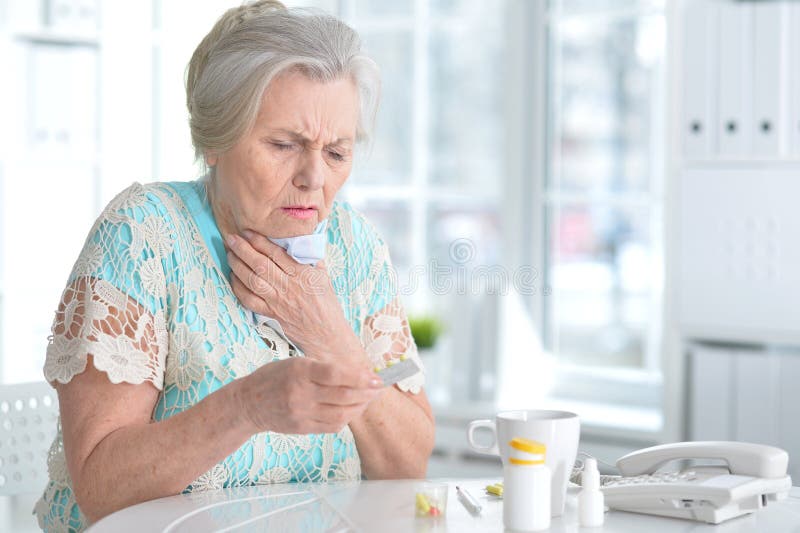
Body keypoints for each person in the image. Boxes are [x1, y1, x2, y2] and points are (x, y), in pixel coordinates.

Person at [33, 2, 434, 530]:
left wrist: (334, 339)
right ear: (215, 141)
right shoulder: (143, 237)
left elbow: (406, 466)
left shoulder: (357, 247)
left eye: (337, 153)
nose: (314, 178)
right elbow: (100, 491)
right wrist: (247, 405)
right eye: (284, 145)